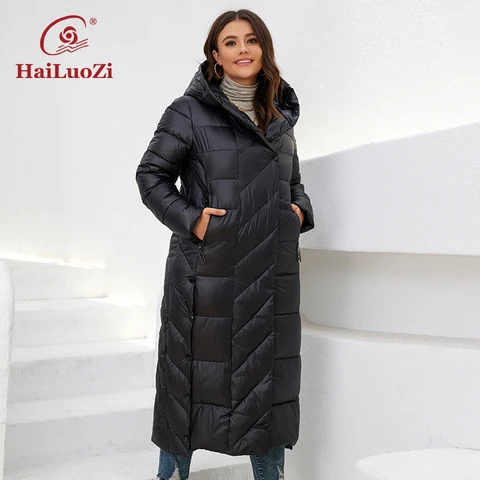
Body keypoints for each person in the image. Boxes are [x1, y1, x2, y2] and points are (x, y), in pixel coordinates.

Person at [135, 8, 315, 480]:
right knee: (188, 388)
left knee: (269, 390)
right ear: (215, 55)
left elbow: (294, 182)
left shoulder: (280, 116)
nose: (242, 50)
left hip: (272, 277)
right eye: (230, 42)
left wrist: (298, 212)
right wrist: (193, 221)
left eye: (251, 40)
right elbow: (151, 176)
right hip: (207, 275)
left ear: (264, 49)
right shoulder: (188, 111)